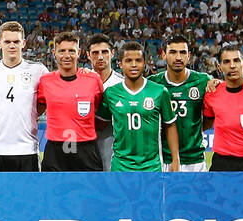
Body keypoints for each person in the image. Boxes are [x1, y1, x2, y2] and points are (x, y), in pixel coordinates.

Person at [98, 42, 180, 172]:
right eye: (128, 60)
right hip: (120, 167)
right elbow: (99, 124)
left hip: (151, 168)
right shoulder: (111, 93)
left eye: (138, 60)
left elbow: (170, 126)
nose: (134, 65)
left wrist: (176, 159)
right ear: (120, 64)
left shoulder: (159, 91)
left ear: (145, 63)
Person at [0, 21, 48, 171]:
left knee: (28, 194)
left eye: (16, 41)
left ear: (23, 43)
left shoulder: (38, 70)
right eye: (7, 41)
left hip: (27, 149)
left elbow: (48, 99)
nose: (12, 45)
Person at [36, 31, 104, 171]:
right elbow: (39, 108)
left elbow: (97, 106)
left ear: (79, 52)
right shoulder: (45, 81)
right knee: (53, 192)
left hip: (85, 148)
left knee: (89, 192)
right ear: (54, 53)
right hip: (56, 150)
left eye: (71, 51)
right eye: (62, 51)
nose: (67, 55)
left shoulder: (93, 80)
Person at [147, 34, 213, 172]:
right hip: (165, 159)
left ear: (189, 55)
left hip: (196, 159)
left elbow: (210, 117)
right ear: (163, 55)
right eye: (173, 52)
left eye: (182, 52)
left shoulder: (202, 81)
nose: (178, 57)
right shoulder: (153, 83)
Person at [86, 33, 124, 170]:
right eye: (95, 53)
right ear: (88, 55)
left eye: (104, 52)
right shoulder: (81, 81)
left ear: (112, 53)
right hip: (85, 151)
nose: (100, 57)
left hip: (113, 151)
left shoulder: (122, 85)